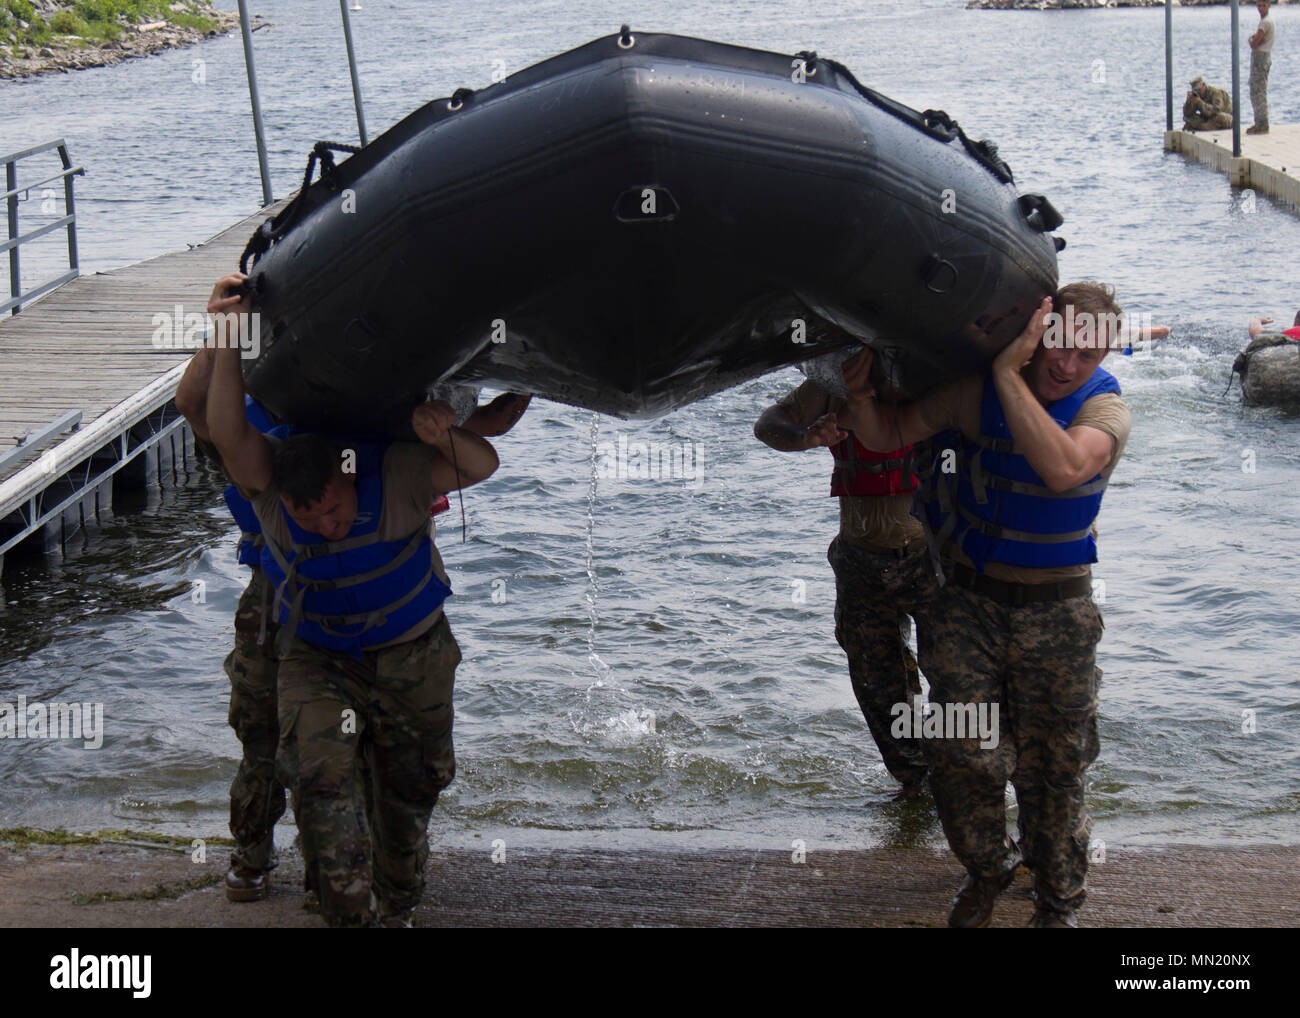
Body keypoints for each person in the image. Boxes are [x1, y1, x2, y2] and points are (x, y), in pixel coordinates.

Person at [205, 272, 500, 927]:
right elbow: (224, 427)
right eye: (310, 520)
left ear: (348, 478)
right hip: (320, 654)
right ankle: (342, 911)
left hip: (409, 653)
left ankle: (397, 895)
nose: (325, 527)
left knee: (411, 791)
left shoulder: (389, 474)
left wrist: (442, 431)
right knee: (319, 781)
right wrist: (225, 335)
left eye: (334, 515)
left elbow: (481, 465)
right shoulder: (275, 489)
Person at [838, 282, 1131, 928]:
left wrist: (1006, 374)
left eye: (1088, 355)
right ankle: (990, 867)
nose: (1067, 364)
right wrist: (859, 397)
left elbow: (1061, 469)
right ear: (1039, 332)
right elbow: (890, 434)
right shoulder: (974, 396)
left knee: (1053, 772)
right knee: (961, 754)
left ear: (1103, 358)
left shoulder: (1104, 410)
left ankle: (1057, 904)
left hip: (1059, 615)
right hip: (969, 607)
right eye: (1059, 344)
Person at [754, 369, 935, 801]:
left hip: (932, 557)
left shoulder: (935, 371)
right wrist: (807, 437)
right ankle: (915, 778)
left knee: (958, 673)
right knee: (876, 677)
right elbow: (768, 425)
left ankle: (970, 778)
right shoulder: (835, 381)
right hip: (860, 556)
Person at [176, 347, 286, 902]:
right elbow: (191, 404)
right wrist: (225, 328)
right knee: (259, 725)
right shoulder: (248, 420)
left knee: (352, 736)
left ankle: (339, 861)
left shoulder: (361, 409)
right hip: (272, 590)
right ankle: (253, 852)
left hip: (351, 590)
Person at [1248, 1, 1275, 135]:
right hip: (1263, 57)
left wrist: (1251, 39)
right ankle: (1259, 122)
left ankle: (1262, 125)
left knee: (1258, 91)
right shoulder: (1266, 21)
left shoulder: (1265, 23)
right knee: (1257, 90)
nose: (1261, 8)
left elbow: (1254, 43)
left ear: (1269, 5)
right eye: (1259, 5)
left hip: (1261, 58)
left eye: (1263, 5)